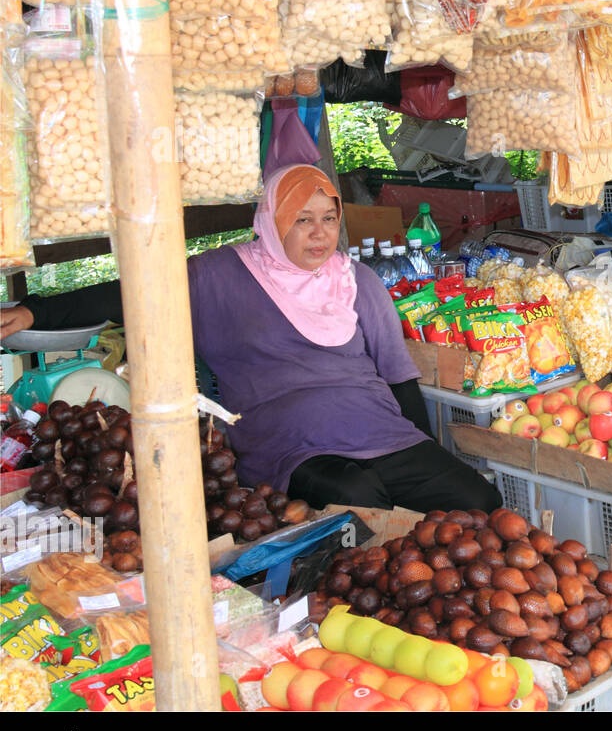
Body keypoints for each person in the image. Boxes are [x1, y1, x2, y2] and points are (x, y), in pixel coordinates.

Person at [0, 164, 501, 514]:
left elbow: (397, 375)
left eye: (328, 219)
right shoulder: (218, 277)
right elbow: (136, 290)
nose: (319, 234)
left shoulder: (356, 281)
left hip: (379, 433)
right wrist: (34, 310)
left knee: (477, 499)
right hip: (285, 441)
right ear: (273, 221)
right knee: (357, 496)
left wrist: (427, 448)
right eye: (302, 220)